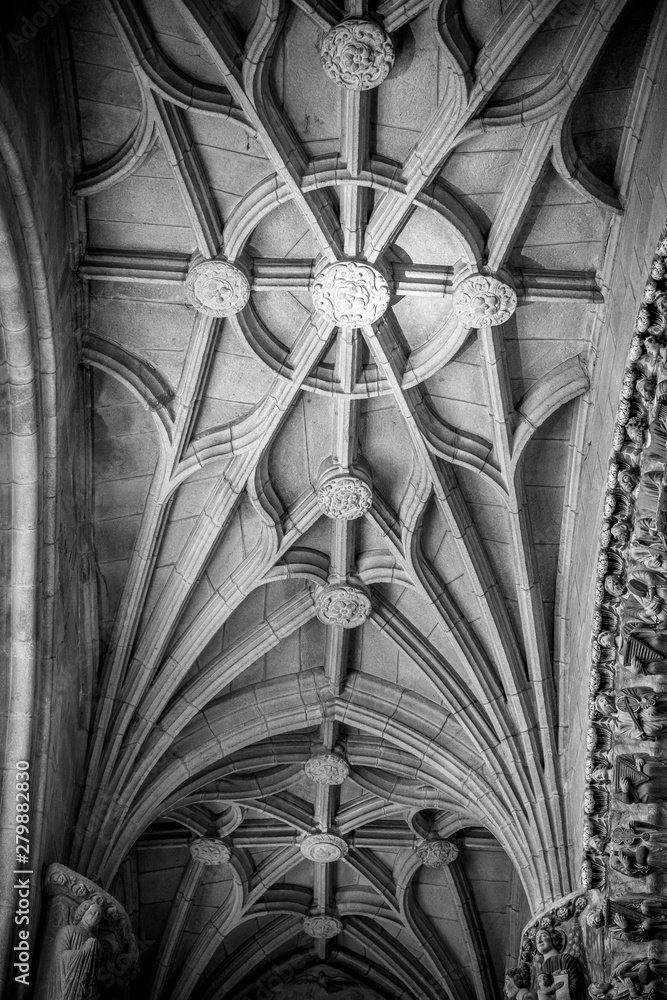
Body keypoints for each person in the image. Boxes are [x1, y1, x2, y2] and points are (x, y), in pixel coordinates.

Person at [49, 899, 103, 1000]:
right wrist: (84, 952)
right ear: (83, 912)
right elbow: (59, 957)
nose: (95, 917)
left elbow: (95, 973)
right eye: (93, 912)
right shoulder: (68, 930)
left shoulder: (97, 944)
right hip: (65, 986)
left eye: (98, 915)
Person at [535, 928, 585, 1000]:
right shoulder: (542, 968)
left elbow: (577, 987)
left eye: (544, 936)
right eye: (537, 938)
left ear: (553, 938)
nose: (539, 941)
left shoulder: (565, 959)